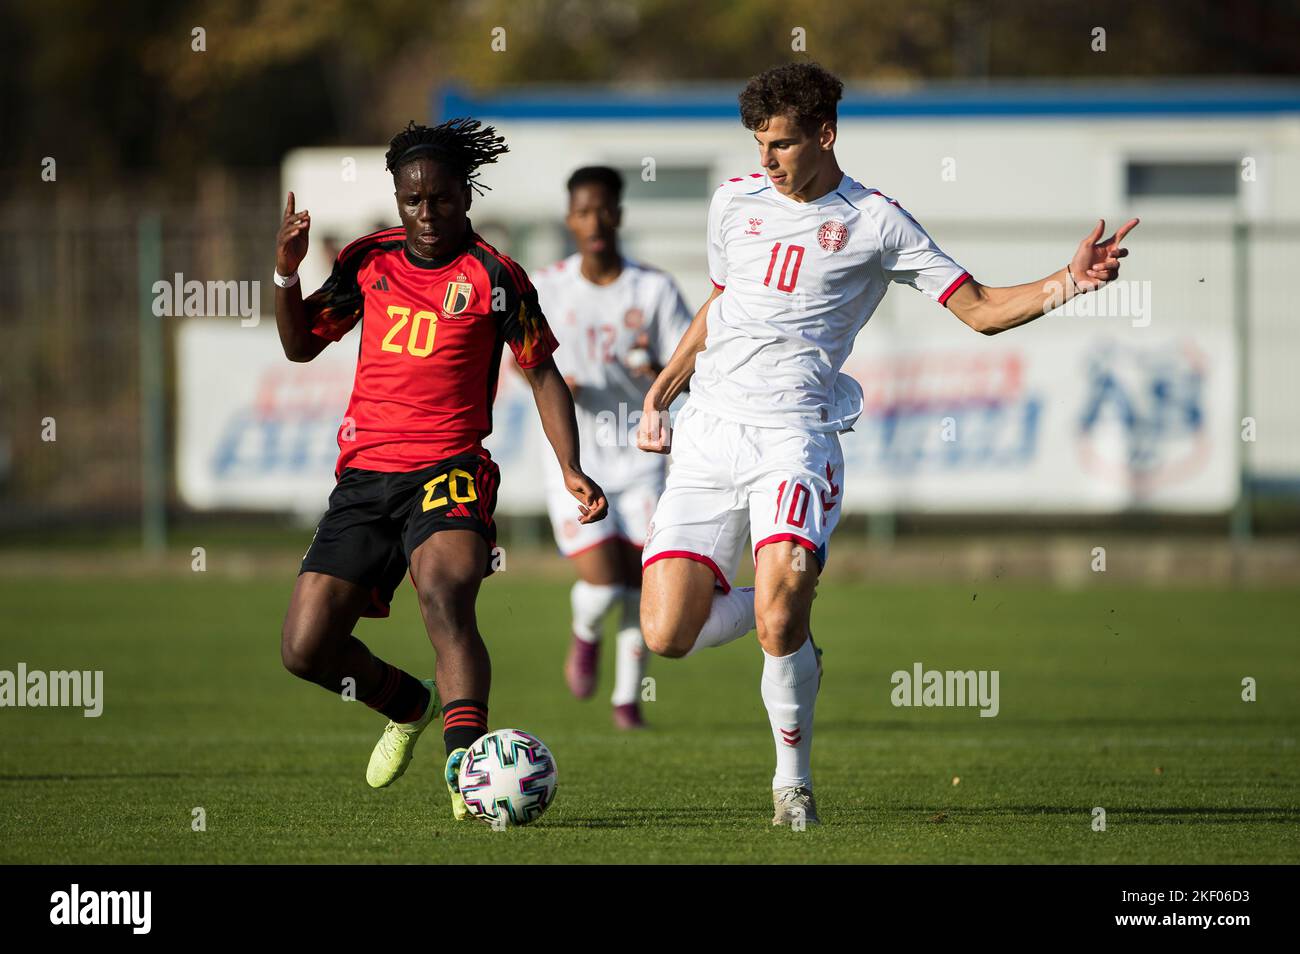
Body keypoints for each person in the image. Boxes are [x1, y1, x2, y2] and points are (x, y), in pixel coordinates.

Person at [636, 63, 1138, 826]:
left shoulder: (876, 221)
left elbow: (979, 309)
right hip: (708, 436)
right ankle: (788, 619)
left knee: (778, 614)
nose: (766, 160)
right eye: (759, 143)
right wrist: (665, 385)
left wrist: (1065, 282)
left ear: (826, 135)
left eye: (781, 144)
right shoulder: (733, 201)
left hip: (794, 440)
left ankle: (791, 785)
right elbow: (723, 299)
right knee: (666, 636)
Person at [273, 118, 607, 820]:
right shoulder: (369, 260)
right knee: (304, 651)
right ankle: (407, 702)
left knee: (445, 591)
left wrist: (572, 468)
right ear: (398, 199)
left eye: (443, 199)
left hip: (449, 467)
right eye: (413, 201)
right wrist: (285, 272)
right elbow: (301, 345)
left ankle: (467, 767)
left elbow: (543, 376)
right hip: (365, 478)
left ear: (465, 194)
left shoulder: (494, 277)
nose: (429, 215)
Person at [532, 166, 692, 729]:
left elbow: (692, 367)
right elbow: (521, 361)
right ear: (569, 218)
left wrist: (658, 373)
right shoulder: (546, 285)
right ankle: (584, 632)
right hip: (574, 461)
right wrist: (557, 387)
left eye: (604, 209)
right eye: (582, 211)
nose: (594, 221)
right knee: (603, 583)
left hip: (643, 460)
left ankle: (626, 699)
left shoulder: (653, 290)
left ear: (619, 216)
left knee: (640, 582)